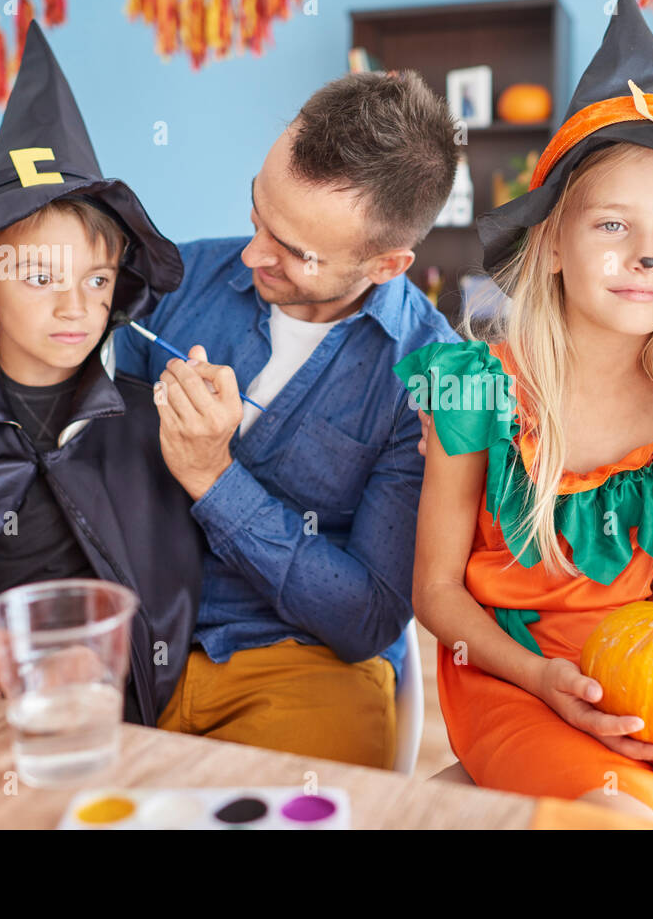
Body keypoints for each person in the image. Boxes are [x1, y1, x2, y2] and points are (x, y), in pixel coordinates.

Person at [395, 0, 653, 822]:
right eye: (613, 226)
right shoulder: (475, 383)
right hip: (514, 677)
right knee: (628, 815)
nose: (649, 255)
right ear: (554, 244)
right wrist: (546, 680)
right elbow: (436, 594)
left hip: (640, 681)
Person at [113, 70, 461, 770]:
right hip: (133, 642)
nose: (251, 255)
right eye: (256, 214)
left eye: (295, 251)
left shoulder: (428, 374)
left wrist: (215, 478)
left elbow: (367, 616)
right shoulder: (173, 283)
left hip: (302, 664)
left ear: (388, 264)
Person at [0, 21, 203, 726]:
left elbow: (165, 598)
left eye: (96, 280)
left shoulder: (148, 422)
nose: (74, 307)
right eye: (39, 276)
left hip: (108, 719)